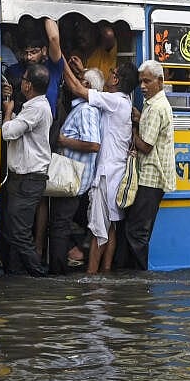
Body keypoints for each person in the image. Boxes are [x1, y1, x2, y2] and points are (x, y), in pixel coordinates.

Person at [55, 19, 137, 275]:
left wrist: (60, 59)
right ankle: (106, 273)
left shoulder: (115, 101)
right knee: (110, 228)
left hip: (106, 175)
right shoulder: (123, 101)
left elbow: (78, 89)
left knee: (98, 231)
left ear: (117, 80)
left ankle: (92, 279)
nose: (108, 75)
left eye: (112, 73)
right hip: (115, 173)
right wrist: (83, 71)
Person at [47, 68, 102, 274]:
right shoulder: (81, 108)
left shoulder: (86, 110)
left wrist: (63, 141)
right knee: (62, 223)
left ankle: (58, 271)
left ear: (86, 86)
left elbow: (93, 144)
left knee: (60, 225)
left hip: (73, 178)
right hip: (72, 177)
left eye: (80, 80)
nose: (75, 83)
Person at [0, 63, 53, 277]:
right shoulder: (34, 106)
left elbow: (8, 132)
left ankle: (38, 276)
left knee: (19, 232)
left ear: (28, 85)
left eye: (23, 79)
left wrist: (8, 112)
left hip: (28, 178)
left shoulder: (36, 108)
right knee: (11, 229)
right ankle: (16, 272)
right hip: (23, 178)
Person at [125, 60, 175, 271]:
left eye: (147, 81)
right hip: (150, 176)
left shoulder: (156, 107)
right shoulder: (153, 104)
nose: (142, 86)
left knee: (137, 232)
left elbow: (145, 146)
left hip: (151, 176)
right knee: (137, 229)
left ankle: (139, 278)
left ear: (160, 81)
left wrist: (130, 131)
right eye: (141, 82)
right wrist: (140, 119)